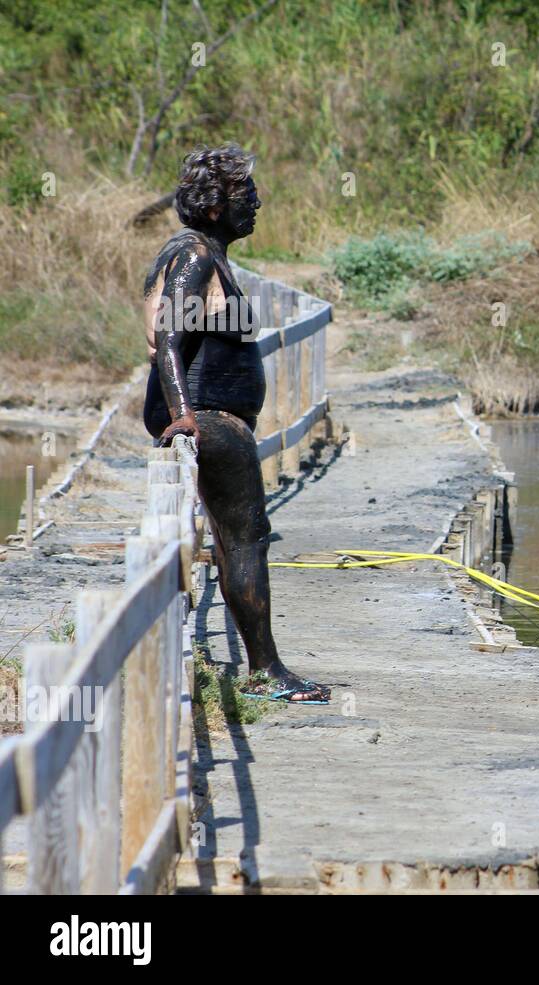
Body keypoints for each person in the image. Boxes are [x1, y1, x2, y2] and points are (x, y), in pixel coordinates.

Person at [142, 143, 328, 704]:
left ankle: (262, 666)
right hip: (210, 419)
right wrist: (184, 417)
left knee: (233, 541)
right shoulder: (195, 256)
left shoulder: (202, 255)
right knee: (247, 539)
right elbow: (170, 342)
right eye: (248, 193)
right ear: (218, 203)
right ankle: (266, 670)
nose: (258, 202)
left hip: (215, 417)